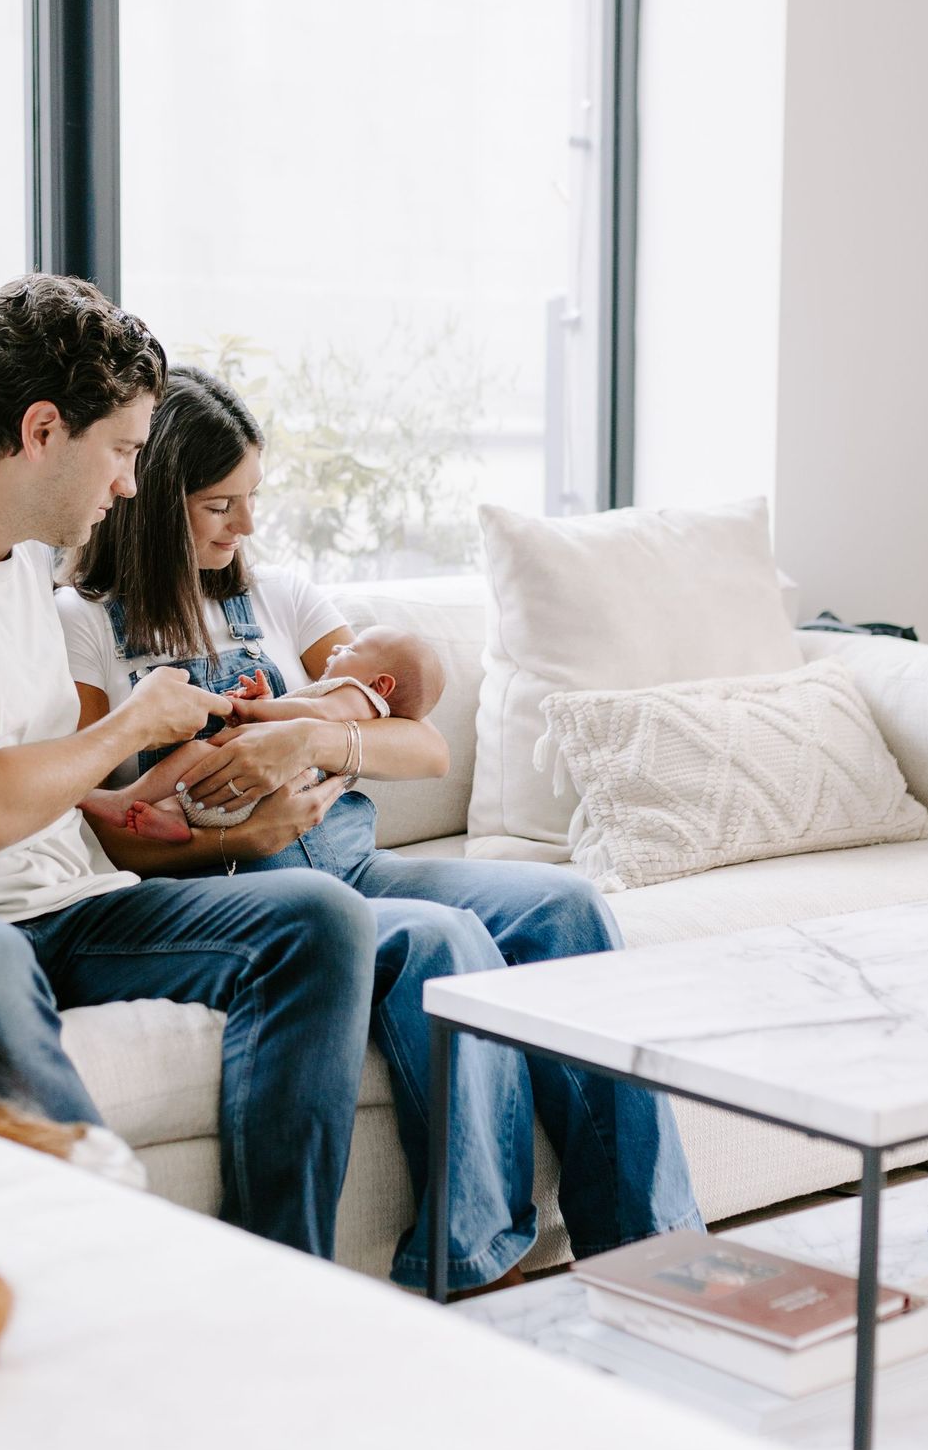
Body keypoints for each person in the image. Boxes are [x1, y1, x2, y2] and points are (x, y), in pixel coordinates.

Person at [0, 275, 383, 1262]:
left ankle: (279, 1274)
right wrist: (130, 723)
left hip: (64, 903)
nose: (132, 485)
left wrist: (126, 801)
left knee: (321, 916)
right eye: (125, 451)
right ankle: (118, 1260)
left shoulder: (20, 553)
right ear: (43, 430)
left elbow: (28, 760)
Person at [57, 366, 702, 1293]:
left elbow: (421, 745)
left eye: (252, 499)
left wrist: (311, 738)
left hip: (353, 863)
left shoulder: (281, 597)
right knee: (443, 939)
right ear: (154, 504)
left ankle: (653, 1251)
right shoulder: (83, 625)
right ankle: (474, 1266)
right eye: (219, 506)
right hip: (235, 895)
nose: (245, 527)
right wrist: (246, 838)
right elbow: (114, 834)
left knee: (568, 907)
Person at [79, 625, 445, 843]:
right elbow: (296, 722)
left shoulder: (356, 695)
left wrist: (254, 711)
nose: (337, 647)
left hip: (268, 795)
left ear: (381, 685)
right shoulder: (356, 702)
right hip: (256, 805)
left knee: (195, 754)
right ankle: (174, 815)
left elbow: (313, 717)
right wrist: (270, 705)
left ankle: (128, 799)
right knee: (193, 773)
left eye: (350, 649)